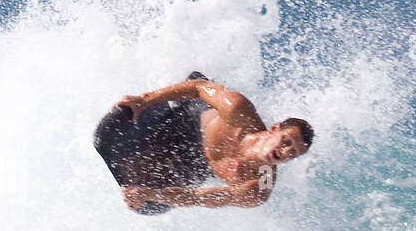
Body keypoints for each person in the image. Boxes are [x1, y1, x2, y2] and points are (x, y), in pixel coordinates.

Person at [92, 71, 313, 215]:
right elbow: (198, 87)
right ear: (274, 128)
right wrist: (144, 99)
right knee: (199, 81)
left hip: (194, 163)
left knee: (150, 203)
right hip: (186, 123)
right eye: (286, 141)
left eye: (292, 153)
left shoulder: (259, 186)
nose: (284, 152)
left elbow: (198, 196)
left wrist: (150, 195)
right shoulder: (239, 111)